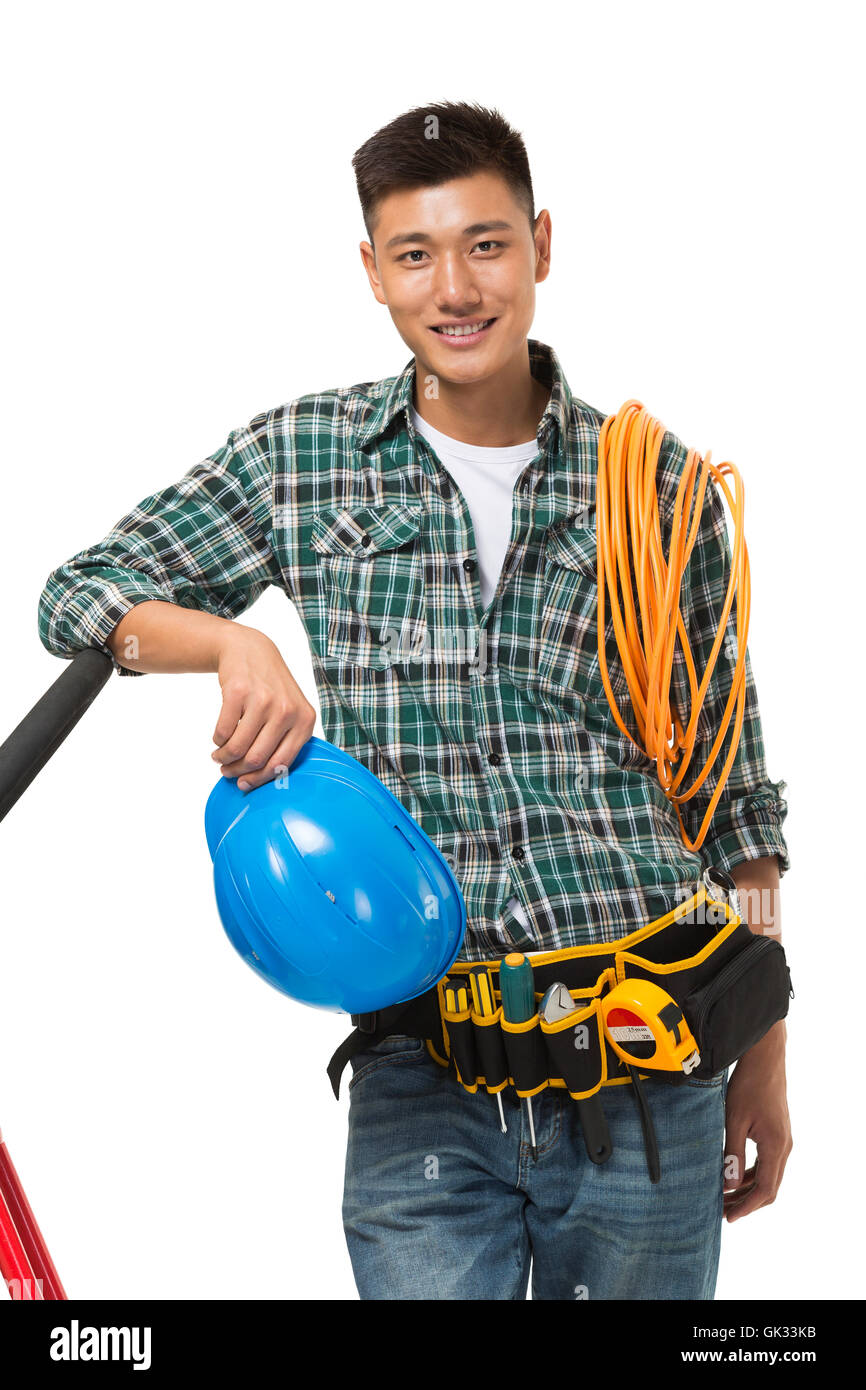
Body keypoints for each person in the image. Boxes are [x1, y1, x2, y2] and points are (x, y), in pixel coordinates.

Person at [37, 101, 791, 1300]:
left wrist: (763, 1051)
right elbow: (81, 594)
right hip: (422, 1078)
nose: (456, 286)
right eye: (415, 253)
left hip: (653, 1065)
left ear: (541, 244)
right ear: (371, 272)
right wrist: (228, 640)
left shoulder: (655, 487)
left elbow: (733, 803)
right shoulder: (305, 458)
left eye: (486, 243)